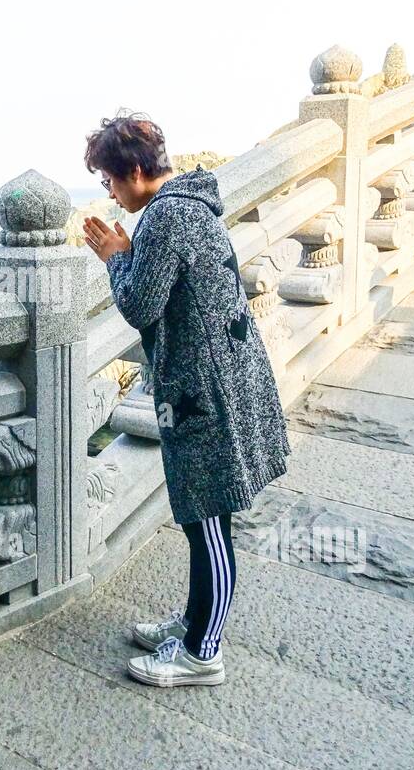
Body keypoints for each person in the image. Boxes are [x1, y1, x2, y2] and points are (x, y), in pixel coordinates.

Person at [82, 111, 290, 688]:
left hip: (206, 390)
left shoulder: (166, 216)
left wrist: (115, 258)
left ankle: (203, 653)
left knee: (206, 516)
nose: (109, 191)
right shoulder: (192, 204)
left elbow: (140, 305)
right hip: (221, 379)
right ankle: (199, 621)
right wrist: (128, 251)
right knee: (207, 512)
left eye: (108, 179)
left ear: (137, 171)